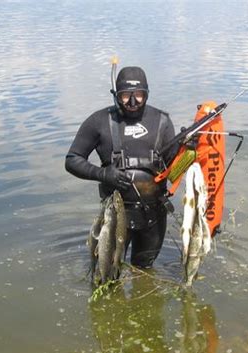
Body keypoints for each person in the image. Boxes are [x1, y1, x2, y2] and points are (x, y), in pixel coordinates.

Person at [65, 66, 176, 268]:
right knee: (107, 274)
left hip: (154, 215)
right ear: (116, 94)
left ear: (147, 94)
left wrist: (190, 152)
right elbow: (72, 159)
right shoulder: (99, 121)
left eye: (139, 96)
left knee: (145, 270)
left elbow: (175, 170)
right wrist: (103, 174)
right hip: (114, 215)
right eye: (126, 96)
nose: (133, 102)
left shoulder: (163, 121)